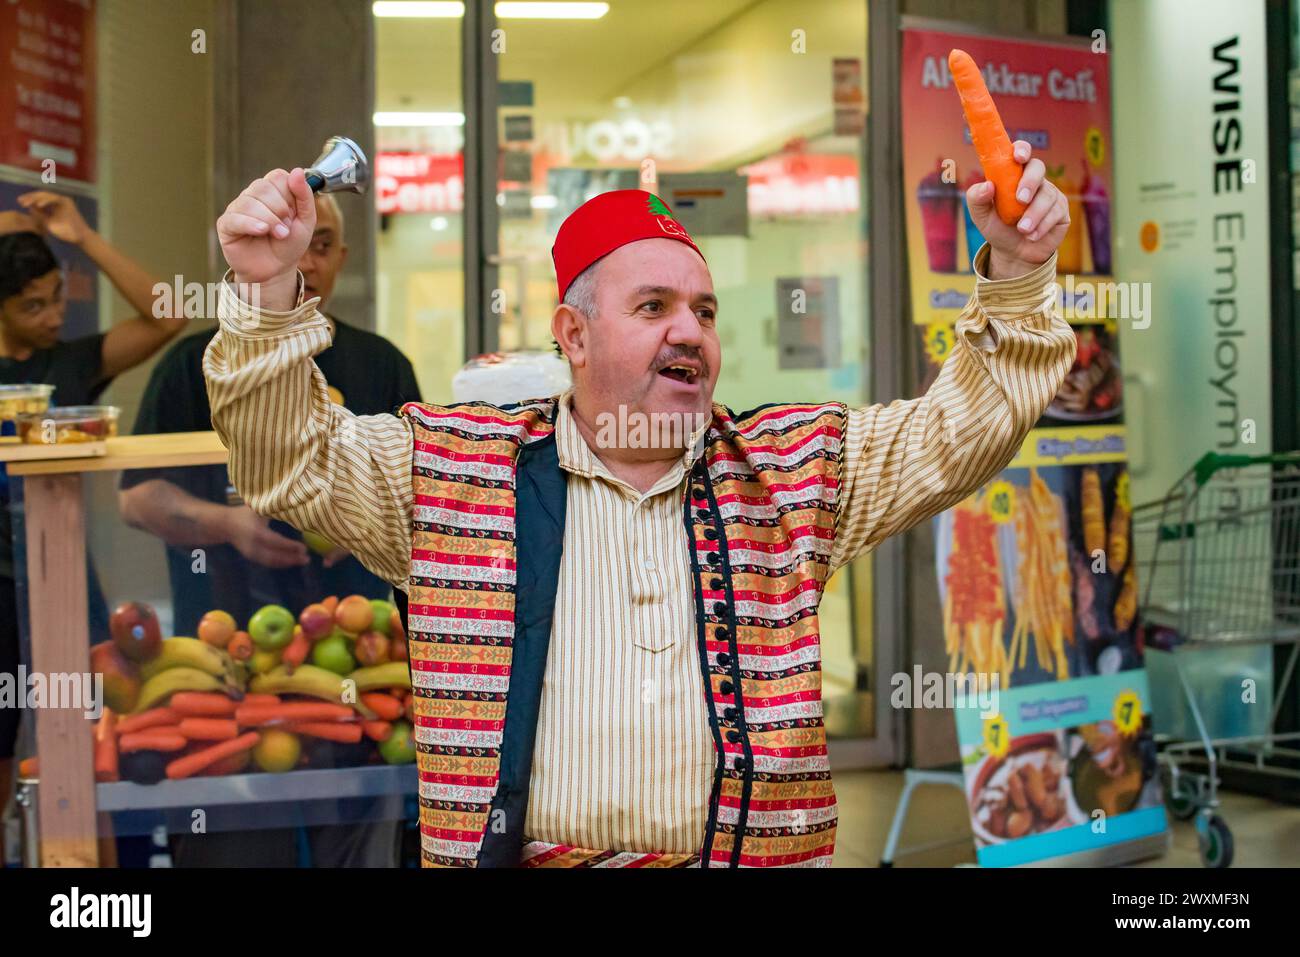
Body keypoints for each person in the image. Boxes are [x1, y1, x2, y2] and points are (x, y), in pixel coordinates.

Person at [204, 145, 1075, 868]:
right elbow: (288, 454)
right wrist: (265, 296)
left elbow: (959, 432)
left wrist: (1017, 271)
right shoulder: (451, 474)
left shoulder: (784, 474)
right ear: (574, 337)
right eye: (653, 307)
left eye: (703, 310)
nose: (689, 331)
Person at [119, 192, 421, 867]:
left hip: (360, 660)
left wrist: (360, 512)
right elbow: (135, 497)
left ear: (342, 256)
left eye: (321, 242)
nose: (305, 258)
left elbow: (417, 493)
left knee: (365, 844)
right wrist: (225, 523)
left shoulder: (381, 363)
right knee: (235, 851)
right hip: (222, 661)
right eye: (289, 238)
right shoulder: (195, 363)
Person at [0, 194, 187, 862]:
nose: (53, 316)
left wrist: (82, 237)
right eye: (32, 306)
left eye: (56, 298)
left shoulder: (70, 363)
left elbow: (169, 313)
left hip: (62, 584)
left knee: (89, 752)